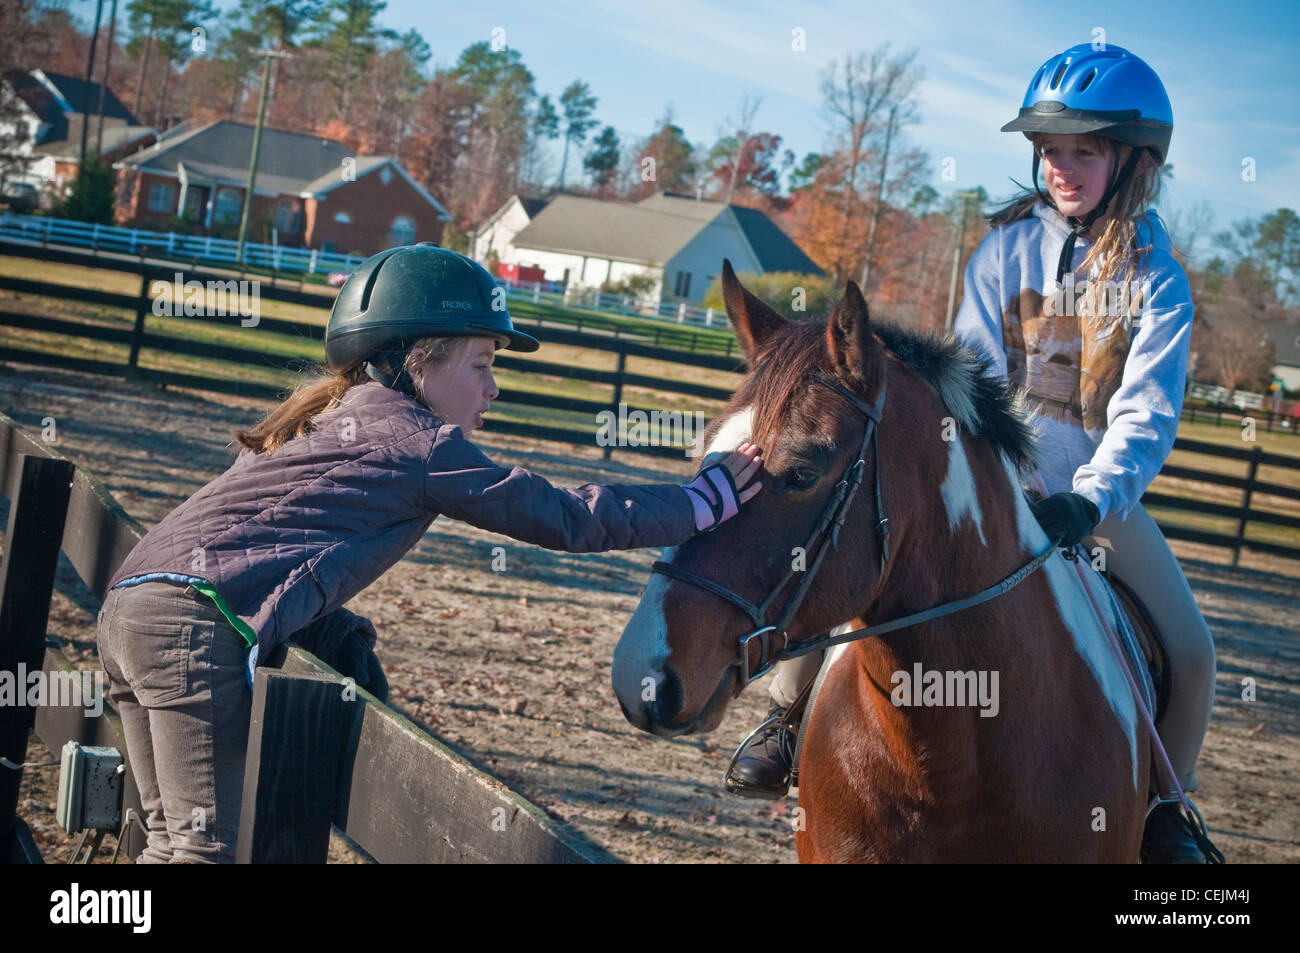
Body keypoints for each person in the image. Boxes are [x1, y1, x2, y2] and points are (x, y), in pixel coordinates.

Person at [95, 241, 763, 863]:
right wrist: (701, 501)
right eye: (482, 365)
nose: (492, 388)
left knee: (170, 839)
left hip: (129, 608)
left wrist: (325, 621)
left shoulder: (336, 419)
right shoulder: (420, 444)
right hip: (192, 626)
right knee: (200, 849)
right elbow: (562, 516)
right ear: (420, 361)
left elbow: (272, 538)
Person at [726, 44, 1216, 864]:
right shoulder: (1001, 254)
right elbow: (971, 380)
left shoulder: (1157, 281)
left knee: (1194, 652)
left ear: (1133, 162)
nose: (1062, 168)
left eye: (1085, 151)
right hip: (986, 491)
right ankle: (786, 714)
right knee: (866, 577)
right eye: (1052, 150)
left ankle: (1166, 812)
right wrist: (984, 480)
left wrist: (1090, 499)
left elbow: (1146, 414)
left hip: (1094, 504)